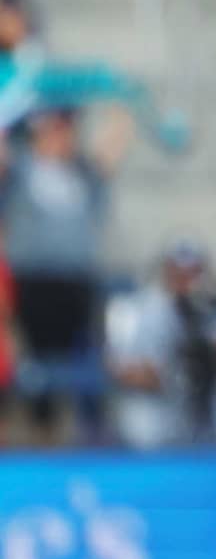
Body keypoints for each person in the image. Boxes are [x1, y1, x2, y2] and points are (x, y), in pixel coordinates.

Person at [3, 106, 134, 442]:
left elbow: (112, 148)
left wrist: (122, 103)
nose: (64, 137)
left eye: (67, 130)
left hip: (76, 280)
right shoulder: (20, 171)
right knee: (36, 365)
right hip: (34, 280)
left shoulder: (82, 174)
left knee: (84, 360)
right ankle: (39, 432)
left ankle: (84, 434)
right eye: (56, 130)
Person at [107, 240, 216, 448]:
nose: (186, 282)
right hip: (150, 431)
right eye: (179, 274)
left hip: (203, 430)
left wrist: (212, 360)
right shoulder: (136, 309)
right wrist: (173, 371)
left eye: (193, 273)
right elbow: (119, 369)